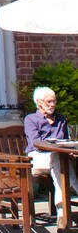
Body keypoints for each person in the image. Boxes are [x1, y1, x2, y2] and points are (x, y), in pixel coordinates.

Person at [24, 85, 78, 217]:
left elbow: (65, 140)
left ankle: (61, 211)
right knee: (57, 157)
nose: (53, 104)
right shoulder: (31, 119)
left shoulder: (61, 119)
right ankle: (67, 201)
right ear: (39, 103)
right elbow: (36, 143)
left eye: (54, 101)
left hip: (57, 159)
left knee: (59, 159)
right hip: (37, 157)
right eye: (49, 102)